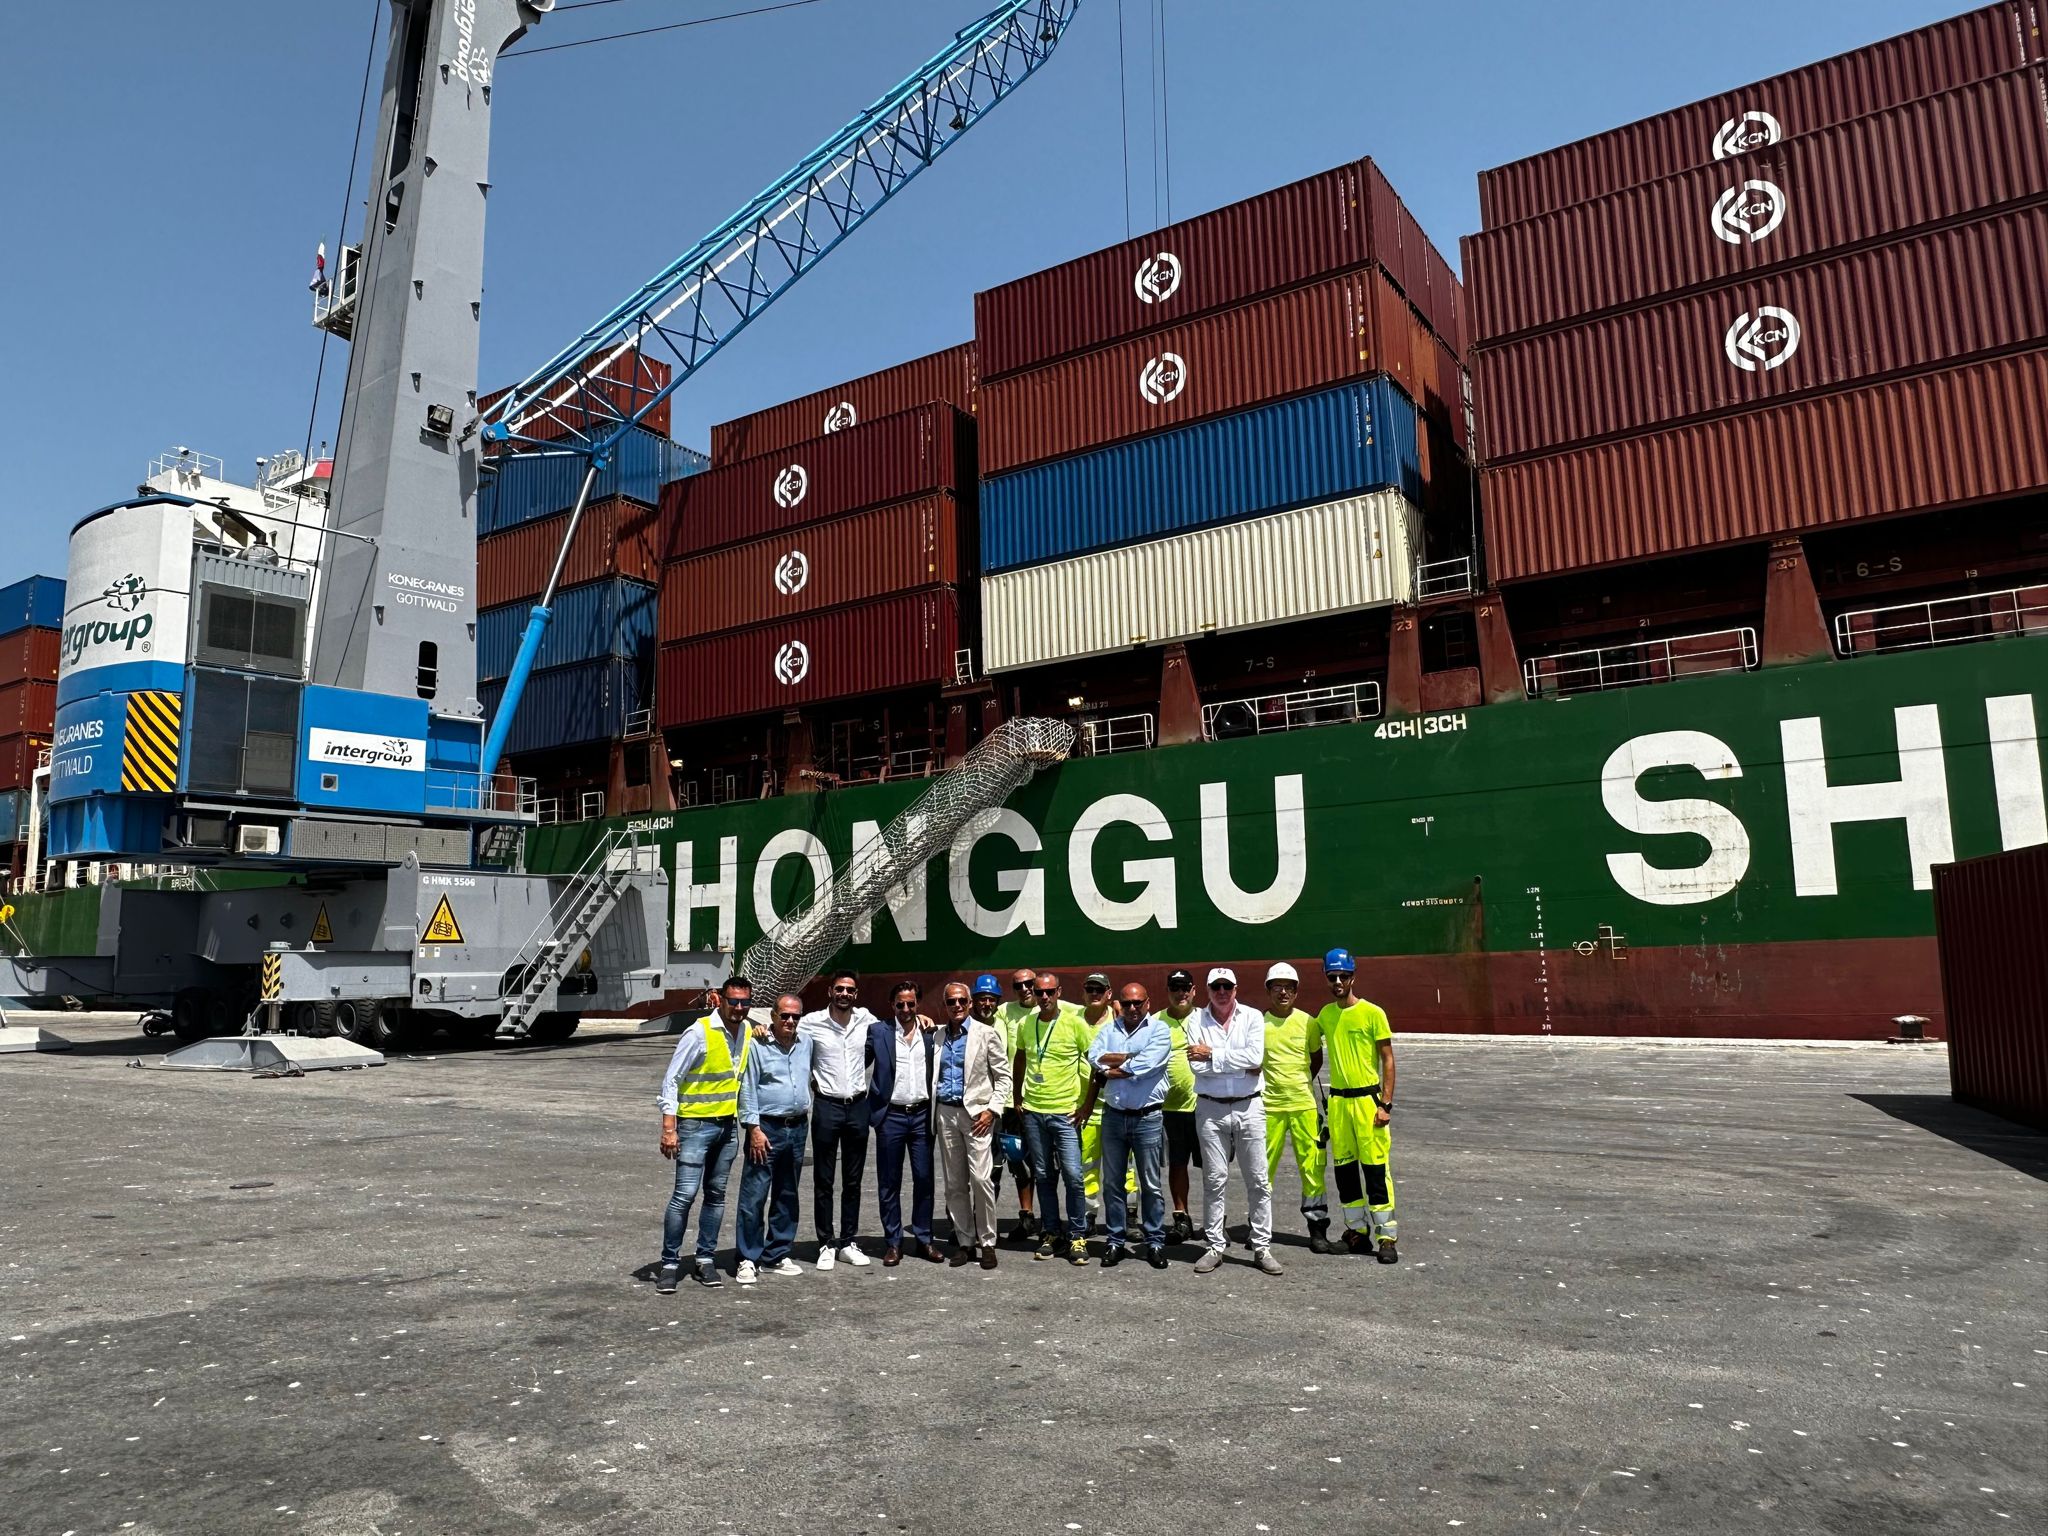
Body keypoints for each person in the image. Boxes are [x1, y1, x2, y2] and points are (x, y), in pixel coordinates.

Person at [654, 977, 757, 1292]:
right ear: (720, 1000)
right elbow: (672, 1080)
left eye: (745, 1002)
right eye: (733, 1001)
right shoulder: (699, 1032)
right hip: (695, 1126)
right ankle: (669, 1264)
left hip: (727, 1127)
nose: (739, 1007)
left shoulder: (747, 1030)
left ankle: (705, 1259)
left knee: (716, 1196)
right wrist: (669, 1128)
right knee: (684, 1196)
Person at [1185, 967, 1282, 1277]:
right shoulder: (1194, 1021)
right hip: (1210, 1109)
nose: (1222, 992)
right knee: (1214, 1180)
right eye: (1216, 986)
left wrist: (1212, 1054)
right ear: (1208, 990)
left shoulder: (1252, 1017)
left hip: (1249, 1106)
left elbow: (1255, 1059)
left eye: (1227, 986)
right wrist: (1239, 1065)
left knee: (1259, 1180)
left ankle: (1262, 1247)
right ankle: (1214, 1246)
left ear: (1236, 989)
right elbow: (1197, 1068)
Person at [1078, 982, 1173, 1269]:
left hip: (1148, 1117)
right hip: (1114, 1116)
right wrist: (1130, 1059)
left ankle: (1154, 1241)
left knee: (1151, 1184)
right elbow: (1094, 1057)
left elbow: (1149, 1064)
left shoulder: (1159, 1030)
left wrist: (1116, 1066)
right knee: (1112, 1183)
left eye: (1137, 1003)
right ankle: (1115, 1241)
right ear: (1119, 1003)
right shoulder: (1109, 1030)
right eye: (1127, 1003)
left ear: (1147, 1003)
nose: (1132, 1008)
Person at [1317, 948, 1399, 1263]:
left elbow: (1387, 1059)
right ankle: (1357, 1232)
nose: (1338, 982)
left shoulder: (1373, 1013)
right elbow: (1305, 1045)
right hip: (1338, 1104)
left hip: (1368, 1102)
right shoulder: (1325, 1015)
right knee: (1346, 1173)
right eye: (1332, 977)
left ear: (1353, 976)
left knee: (1376, 1171)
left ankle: (1386, 1238)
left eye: (1344, 976)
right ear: (1326, 978)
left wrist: (1386, 1104)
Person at [1010, 971, 1094, 1265]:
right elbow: (1020, 1058)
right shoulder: (1026, 1023)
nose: (1044, 997)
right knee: (1044, 1176)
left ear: (1059, 992)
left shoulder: (1075, 1024)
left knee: (1074, 1177)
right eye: (1039, 992)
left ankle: (1077, 1235)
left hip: (1065, 1114)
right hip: (1034, 1112)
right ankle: (1051, 1232)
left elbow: (1095, 1063)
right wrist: (1017, 1097)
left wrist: (1086, 1106)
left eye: (1049, 992)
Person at [932, 979, 1012, 1268]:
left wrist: (993, 1110)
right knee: (954, 1183)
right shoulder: (937, 1036)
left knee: (981, 1179)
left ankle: (987, 1241)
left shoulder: (986, 1034)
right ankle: (965, 1241)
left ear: (969, 1003)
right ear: (945, 1005)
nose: (957, 1006)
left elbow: (1003, 1077)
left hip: (977, 1115)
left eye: (961, 1001)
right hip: (945, 1113)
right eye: (951, 1001)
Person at [800, 967, 876, 1269]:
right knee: (824, 1179)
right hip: (827, 1106)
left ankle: (848, 1241)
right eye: (840, 989)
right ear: (830, 991)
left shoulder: (865, 1019)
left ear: (856, 994)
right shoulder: (811, 1023)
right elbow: (785, 1034)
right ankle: (826, 1243)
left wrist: (921, 1019)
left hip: (858, 1106)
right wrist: (763, 1030)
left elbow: (893, 1031)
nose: (844, 993)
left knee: (853, 1180)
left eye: (850, 990)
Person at [735, 993, 813, 1283]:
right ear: (773, 1016)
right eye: (785, 1015)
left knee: (787, 1194)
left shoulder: (807, 1043)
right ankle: (748, 1257)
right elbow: (748, 1087)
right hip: (766, 1127)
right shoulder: (757, 1044)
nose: (790, 1021)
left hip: (798, 1126)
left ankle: (776, 1254)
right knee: (754, 1194)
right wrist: (753, 1128)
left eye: (795, 1016)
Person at [866, 982, 944, 1266]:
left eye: (911, 1004)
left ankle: (924, 1239)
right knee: (889, 1182)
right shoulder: (878, 1031)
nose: (906, 1009)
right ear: (892, 1005)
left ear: (918, 1004)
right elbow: (852, 1059)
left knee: (924, 1179)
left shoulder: (930, 1033)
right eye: (900, 1004)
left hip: (922, 1115)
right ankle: (893, 1242)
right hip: (891, 1116)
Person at [1261, 961, 1334, 1254]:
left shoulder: (1309, 1023)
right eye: (1277, 986)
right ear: (1268, 990)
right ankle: (1259, 1228)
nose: (1283, 992)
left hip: (1304, 1106)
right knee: (1262, 1170)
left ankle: (1317, 1229)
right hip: (1269, 1108)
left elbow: (1315, 1060)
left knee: (1312, 1167)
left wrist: (1297, 1084)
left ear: (1296, 991)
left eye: (1288, 987)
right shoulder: (1258, 1024)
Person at [994, 968, 1041, 1242]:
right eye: (1018, 985)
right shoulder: (1004, 1012)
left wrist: (1114, 1006)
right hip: (1012, 1103)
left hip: (1041, 1102)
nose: (1025, 989)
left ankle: (1050, 1222)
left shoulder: (1051, 1008)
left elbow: (1086, 1011)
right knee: (1017, 1161)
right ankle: (1026, 1217)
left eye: (1029, 984)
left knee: (1044, 1164)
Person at [1158, 968, 1202, 1243]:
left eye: (1185, 987)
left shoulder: (1206, 1018)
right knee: (1177, 1165)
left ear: (1194, 990)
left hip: (1204, 1106)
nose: (1181, 993)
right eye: (1175, 988)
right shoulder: (1155, 1022)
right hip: (1169, 1110)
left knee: (1213, 1168)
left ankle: (1215, 1221)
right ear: (1168, 991)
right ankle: (1181, 1218)